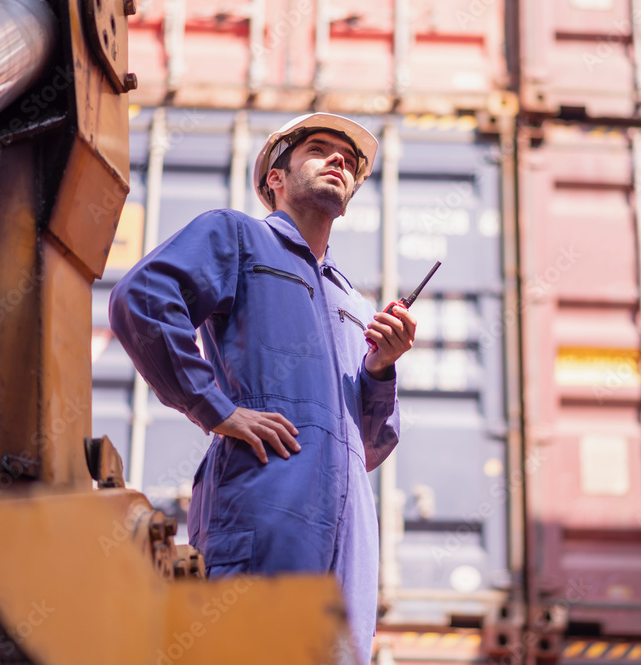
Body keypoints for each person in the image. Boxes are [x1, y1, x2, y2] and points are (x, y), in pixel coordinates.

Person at [109, 113, 416, 664]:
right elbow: (145, 298)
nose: (339, 161)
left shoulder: (352, 303)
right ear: (276, 178)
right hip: (264, 507)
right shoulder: (238, 237)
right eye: (320, 150)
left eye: (348, 160)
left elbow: (369, 446)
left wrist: (380, 370)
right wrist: (217, 409)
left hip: (350, 538)